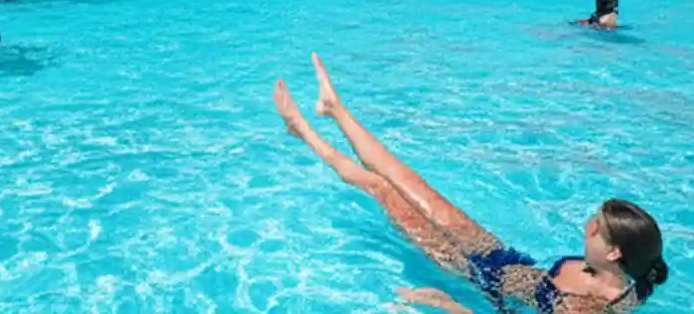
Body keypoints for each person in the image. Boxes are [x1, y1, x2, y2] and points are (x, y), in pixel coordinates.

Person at [273, 54, 667, 314]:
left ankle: (305, 129)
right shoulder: (630, 275)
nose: (587, 226)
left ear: (614, 252)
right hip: (496, 253)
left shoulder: (586, 308)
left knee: (384, 189)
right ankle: (335, 110)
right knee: (411, 184)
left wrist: (450, 305)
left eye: (596, 227)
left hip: (470, 270)